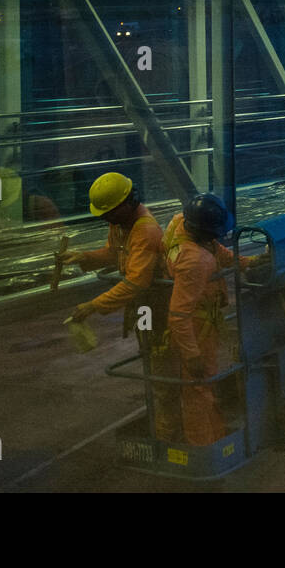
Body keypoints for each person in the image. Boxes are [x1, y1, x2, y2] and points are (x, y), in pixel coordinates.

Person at [150, 194, 237, 445]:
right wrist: (192, 354)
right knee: (198, 390)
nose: (217, 236)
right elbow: (178, 315)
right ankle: (205, 447)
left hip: (199, 322)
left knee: (200, 387)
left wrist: (248, 261)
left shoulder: (180, 222)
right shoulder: (194, 261)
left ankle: (212, 436)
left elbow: (217, 251)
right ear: (204, 231)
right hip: (197, 328)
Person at [63, 173, 163, 335]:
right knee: (146, 339)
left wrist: (93, 305)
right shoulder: (121, 221)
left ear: (127, 203)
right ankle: (149, 354)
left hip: (157, 298)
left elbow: (136, 283)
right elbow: (115, 253)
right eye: (104, 214)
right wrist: (84, 257)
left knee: (158, 342)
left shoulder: (145, 231)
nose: (107, 219)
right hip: (143, 298)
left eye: (110, 213)